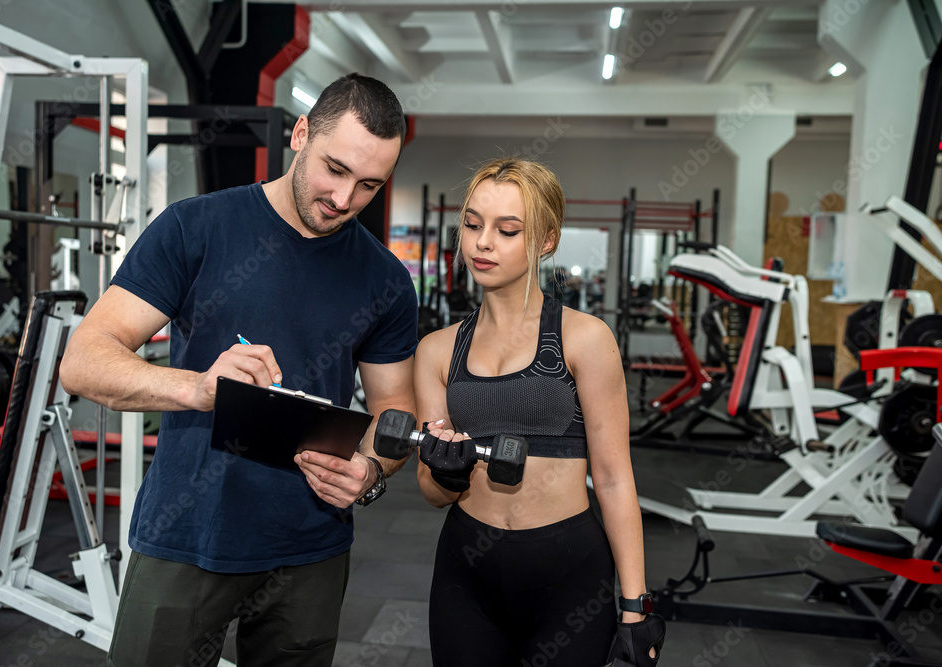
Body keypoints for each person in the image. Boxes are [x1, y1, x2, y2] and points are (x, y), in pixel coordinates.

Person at [60, 73, 419, 667]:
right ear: (301, 133)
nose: (344, 198)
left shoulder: (383, 279)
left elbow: (395, 412)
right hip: (188, 531)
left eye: (368, 185)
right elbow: (84, 360)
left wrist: (373, 470)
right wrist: (197, 387)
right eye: (335, 169)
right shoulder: (193, 227)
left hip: (311, 543)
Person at [413, 158, 665, 666]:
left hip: (568, 575)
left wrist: (636, 604)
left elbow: (614, 479)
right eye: (473, 224)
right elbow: (431, 491)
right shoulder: (437, 351)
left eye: (508, 230)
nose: (484, 242)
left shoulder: (585, 338)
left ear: (546, 241)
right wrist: (447, 471)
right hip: (466, 570)